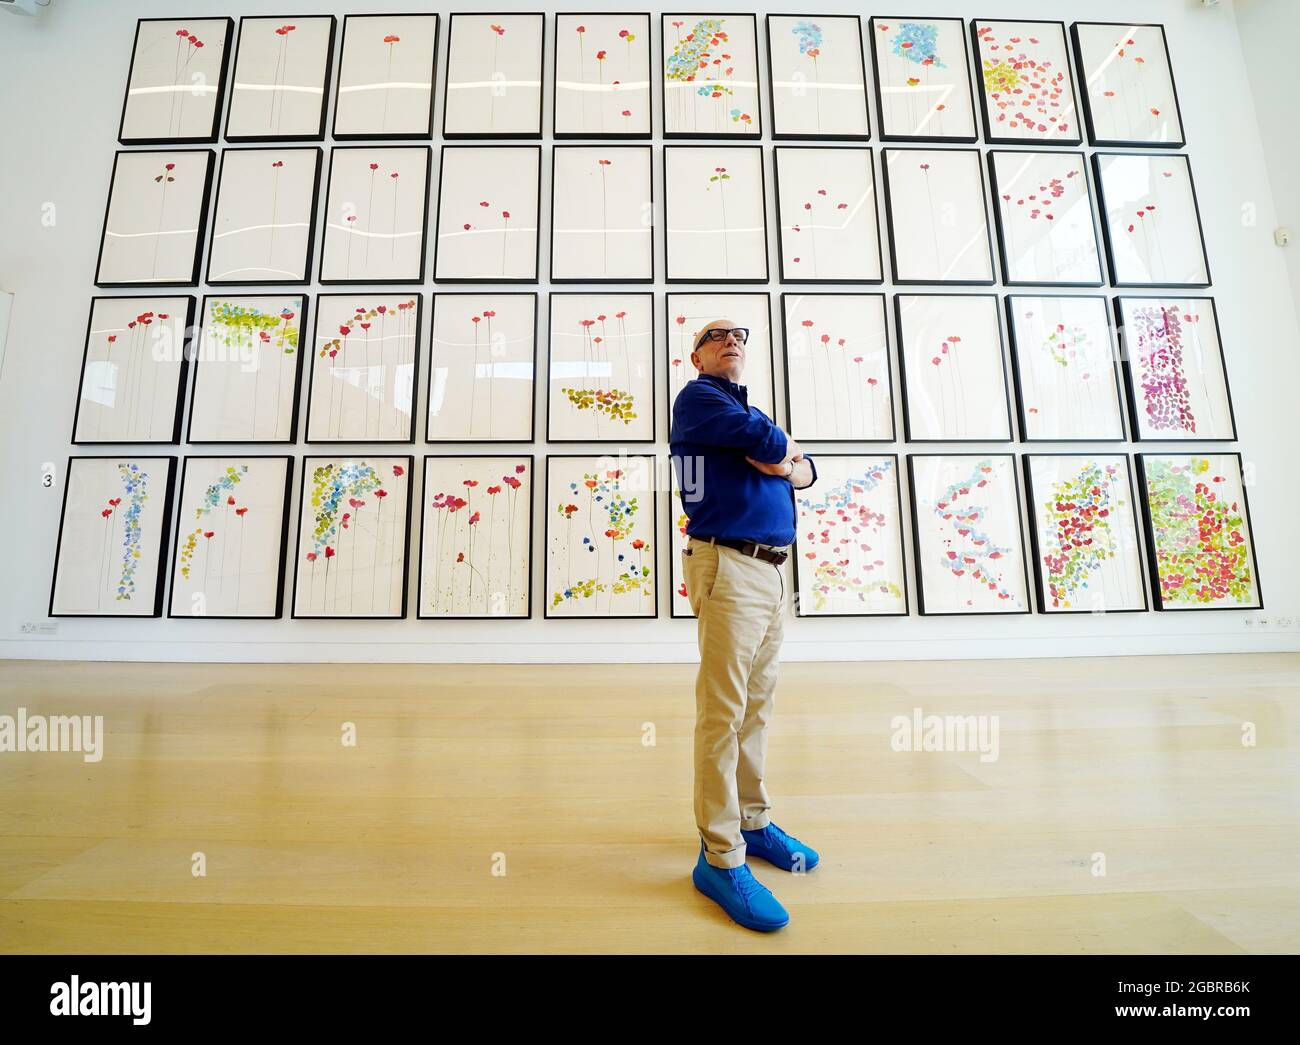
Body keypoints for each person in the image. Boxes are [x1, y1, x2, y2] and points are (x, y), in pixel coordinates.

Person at [668, 318, 820, 932]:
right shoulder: (700, 398)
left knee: (757, 705)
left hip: (769, 570)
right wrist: (788, 457)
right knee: (724, 712)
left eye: (740, 336)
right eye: (716, 336)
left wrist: (787, 464)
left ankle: (752, 823)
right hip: (728, 564)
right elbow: (767, 439)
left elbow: (808, 470)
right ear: (698, 356)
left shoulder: (734, 409)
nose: (731, 341)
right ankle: (719, 856)